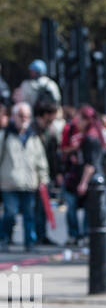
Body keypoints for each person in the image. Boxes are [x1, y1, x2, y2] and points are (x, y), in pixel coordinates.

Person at [0, 101, 48, 250]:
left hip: (29, 183)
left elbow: (41, 160)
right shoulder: (5, 135)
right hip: (9, 182)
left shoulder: (34, 136)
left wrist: (43, 179)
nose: (24, 119)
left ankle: (30, 243)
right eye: (21, 116)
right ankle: (4, 238)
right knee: (10, 214)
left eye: (27, 116)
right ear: (14, 116)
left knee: (29, 215)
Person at [60, 105, 104, 245]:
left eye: (79, 119)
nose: (77, 122)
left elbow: (91, 164)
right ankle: (80, 236)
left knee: (86, 210)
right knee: (80, 208)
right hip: (81, 178)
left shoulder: (91, 138)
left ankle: (85, 236)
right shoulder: (89, 135)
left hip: (88, 180)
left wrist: (83, 183)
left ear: (86, 120)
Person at [32, 100, 63, 244]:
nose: (55, 117)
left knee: (43, 206)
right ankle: (32, 236)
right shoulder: (32, 130)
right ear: (46, 114)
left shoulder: (51, 130)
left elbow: (54, 154)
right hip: (31, 173)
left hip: (47, 174)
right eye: (53, 114)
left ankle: (41, 235)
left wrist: (57, 173)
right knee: (30, 207)